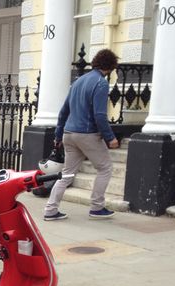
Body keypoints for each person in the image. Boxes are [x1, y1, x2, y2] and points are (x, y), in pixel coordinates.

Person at [44, 48, 120, 221]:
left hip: (69, 134)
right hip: (87, 134)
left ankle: (50, 210)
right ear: (111, 67)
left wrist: (58, 136)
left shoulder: (78, 81)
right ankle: (97, 207)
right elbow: (99, 114)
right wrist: (110, 137)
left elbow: (64, 111)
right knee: (105, 168)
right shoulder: (100, 83)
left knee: (67, 174)